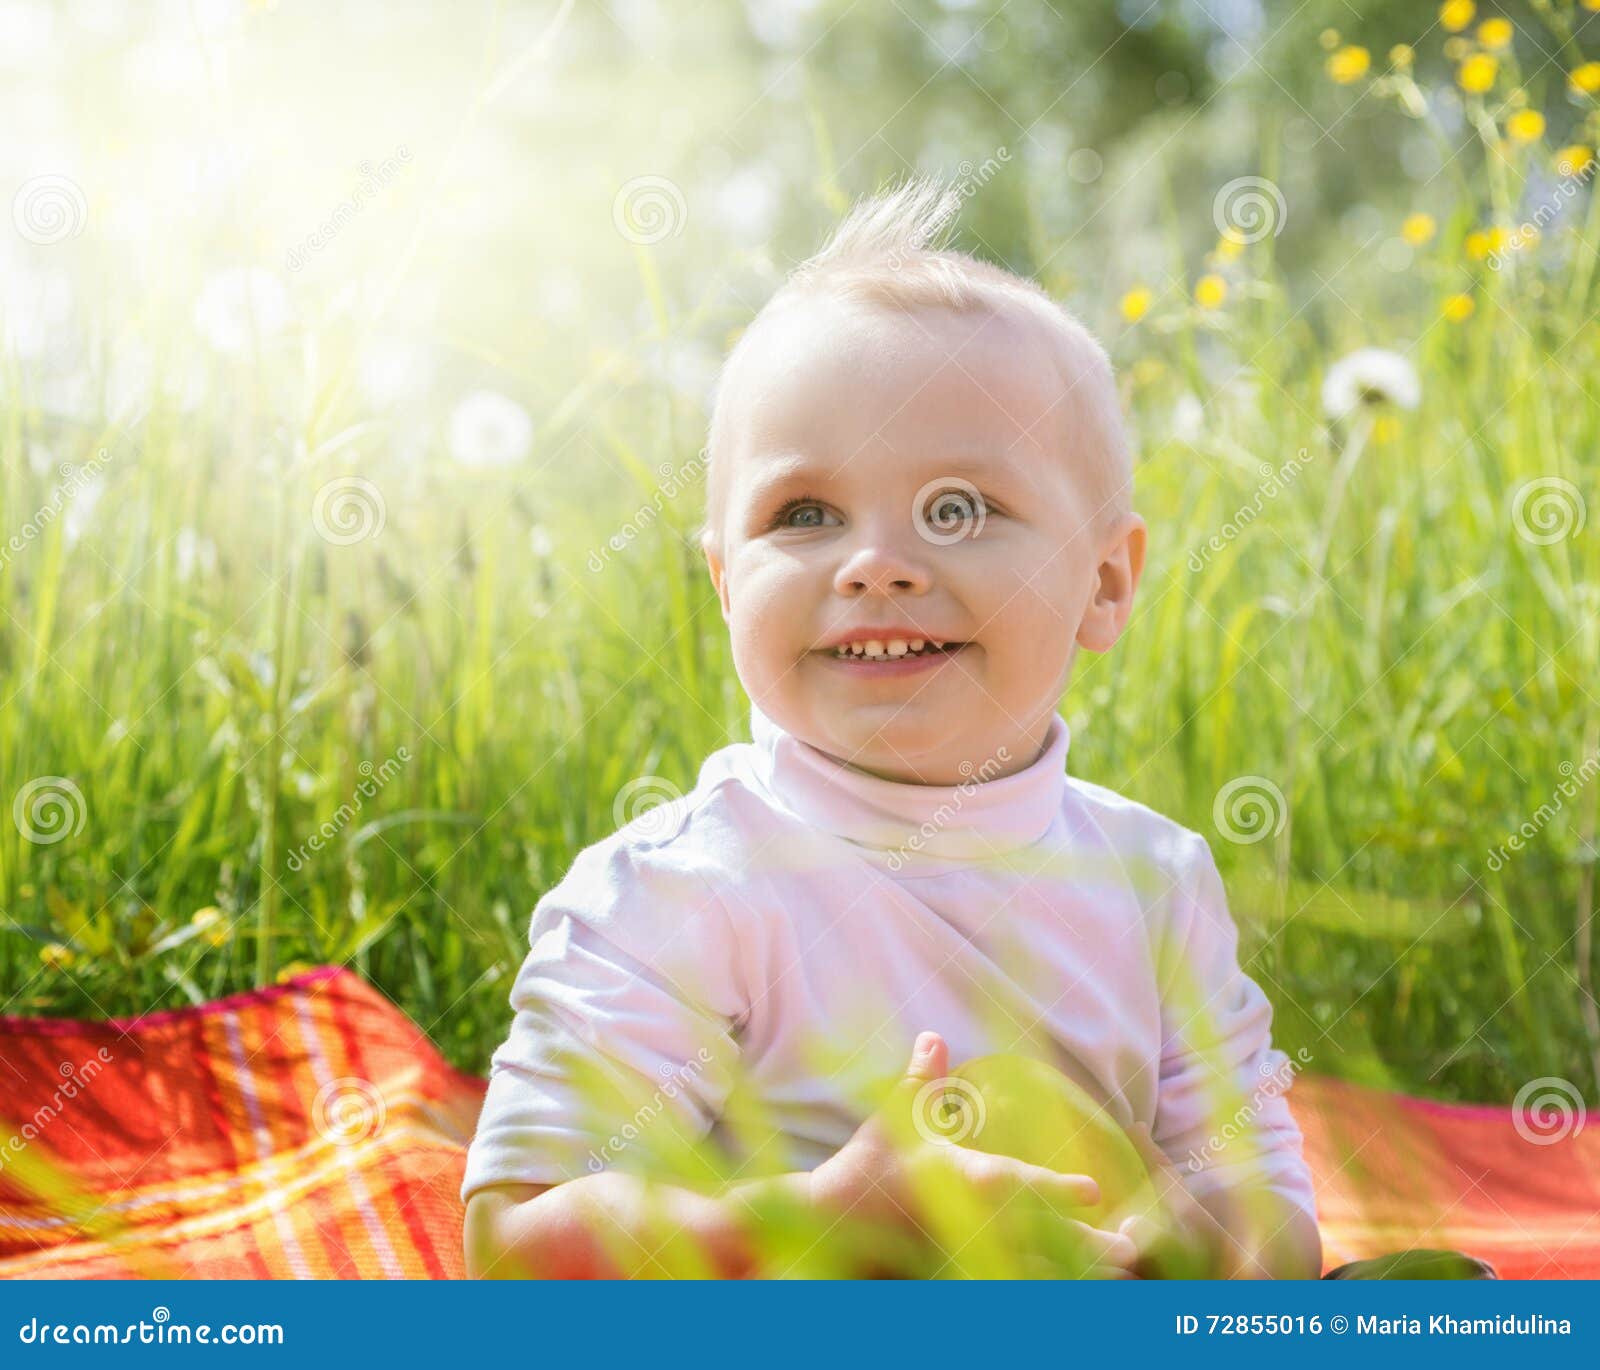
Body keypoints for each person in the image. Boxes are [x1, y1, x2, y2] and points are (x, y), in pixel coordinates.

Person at [461, 174, 1326, 1280]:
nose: (874, 564)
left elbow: (1263, 1207)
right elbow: (515, 1242)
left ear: (1105, 582)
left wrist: (1197, 1247)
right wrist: (824, 1214)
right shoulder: (682, 890)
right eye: (804, 514)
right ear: (726, 585)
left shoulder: (1157, 883)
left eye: (957, 509)